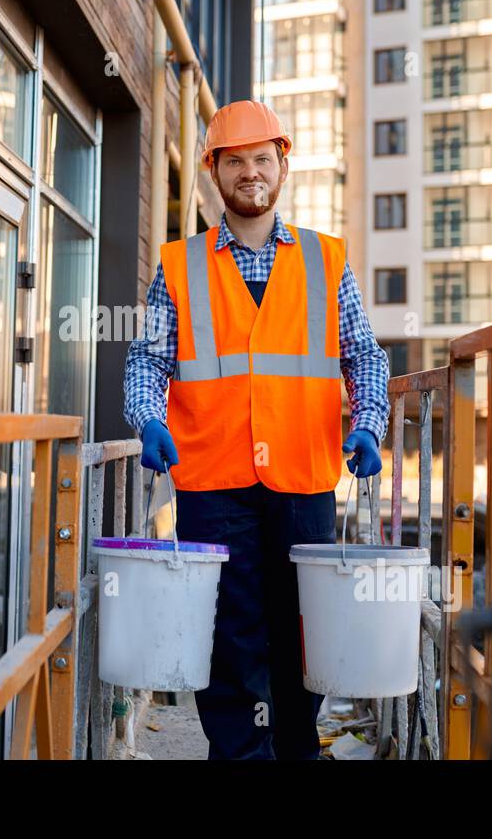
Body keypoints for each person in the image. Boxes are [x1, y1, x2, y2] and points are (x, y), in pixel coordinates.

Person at [122, 100, 390, 760]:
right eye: (235, 161)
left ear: (282, 165)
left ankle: (295, 750)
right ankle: (240, 755)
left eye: (262, 159)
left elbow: (364, 355)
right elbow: (147, 359)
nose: (250, 173)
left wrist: (370, 424)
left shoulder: (326, 261)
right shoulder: (181, 267)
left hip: (303, 475)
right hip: (214, 481)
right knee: (229, 632)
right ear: (214, 171)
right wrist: (148, 418)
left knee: (303, 629)